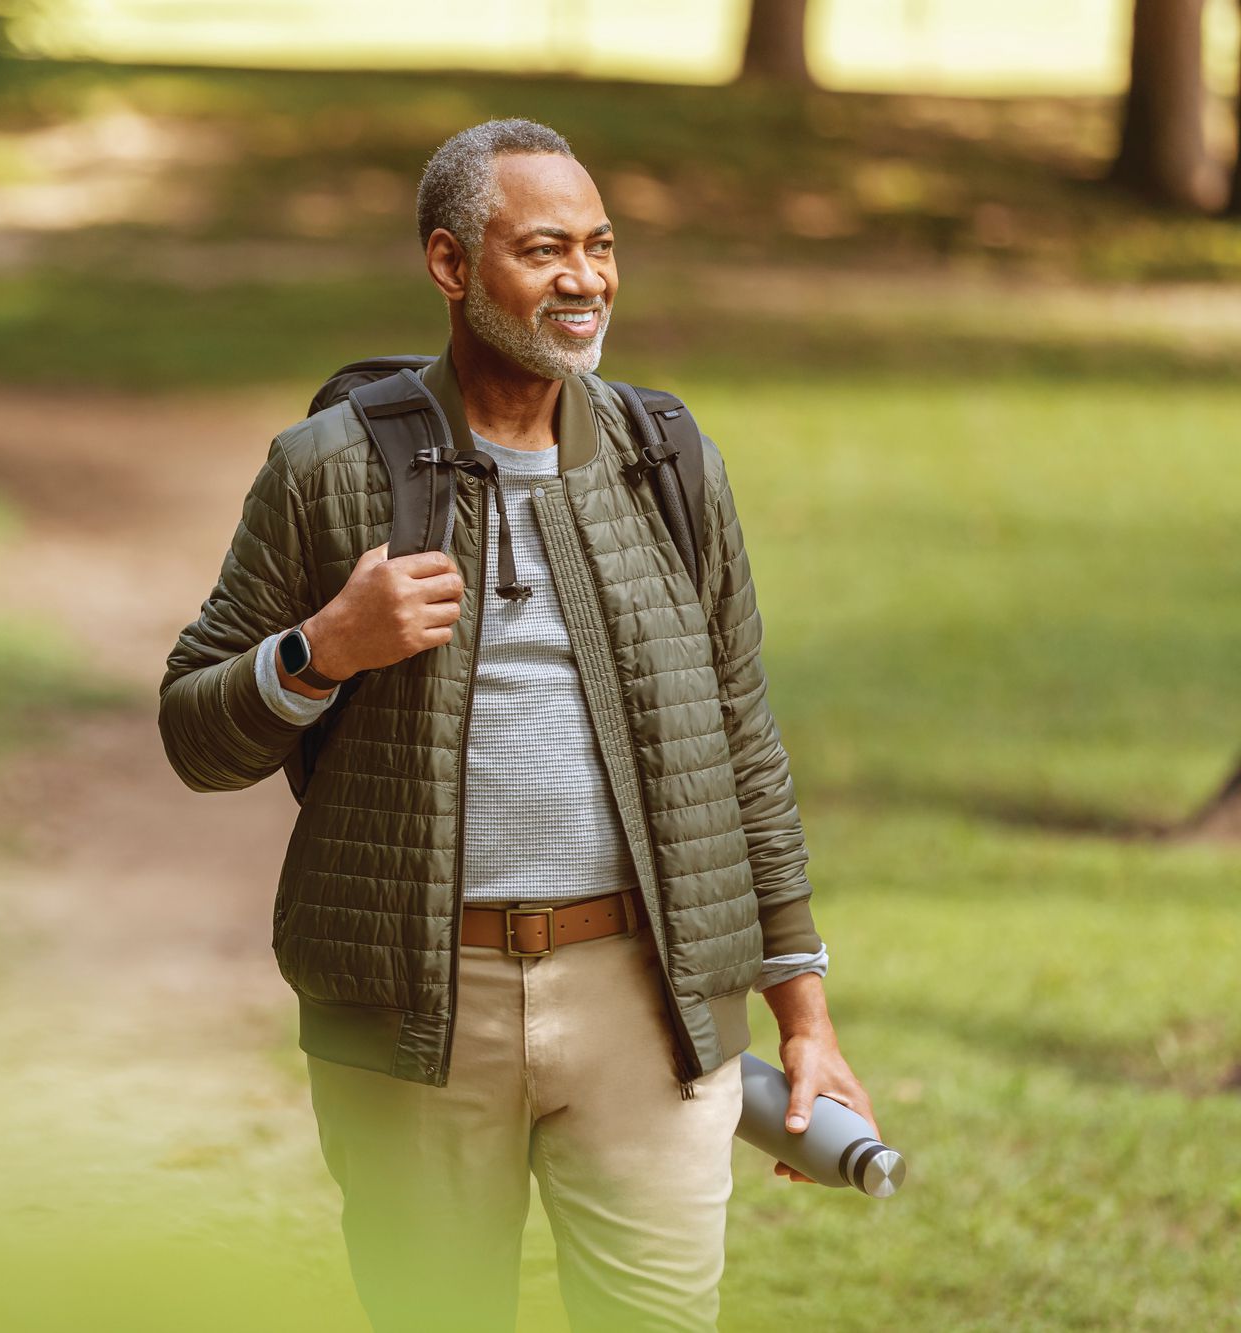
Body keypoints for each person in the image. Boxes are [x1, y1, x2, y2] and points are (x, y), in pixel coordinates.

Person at [157, 118, 879, 1332]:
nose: (584, 280)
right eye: (544, 249)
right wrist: (322, 649)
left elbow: (740, 742)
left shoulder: (670, 460)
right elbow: (193, 730)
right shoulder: (326, 470)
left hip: (646, 1006)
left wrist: (800, 1011)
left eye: (599, 247)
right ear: (449, 266)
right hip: (416, 1007)